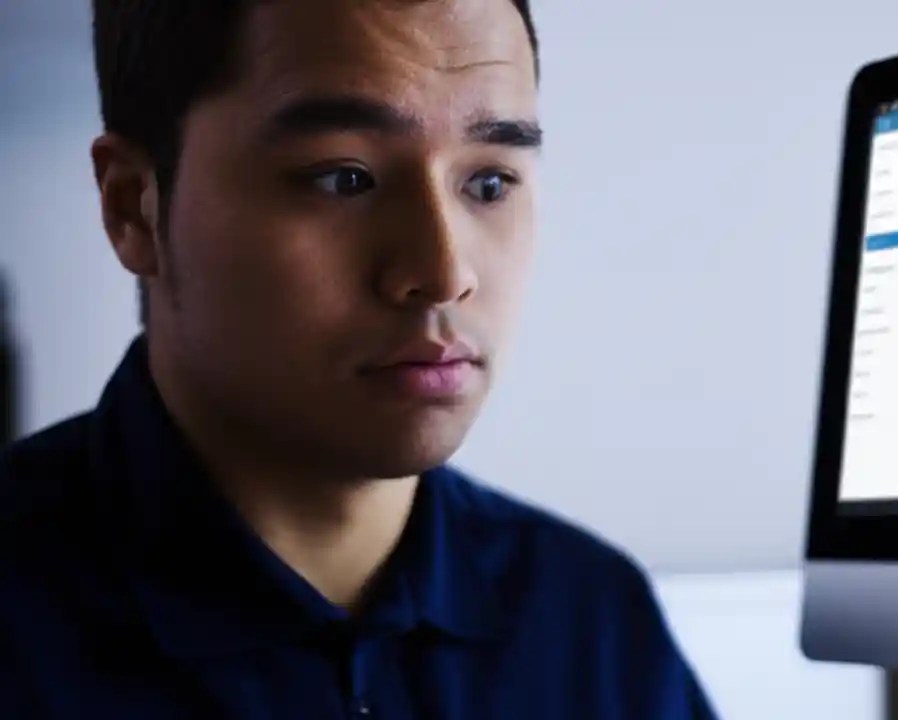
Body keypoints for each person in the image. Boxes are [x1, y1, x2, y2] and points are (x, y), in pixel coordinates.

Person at [0, 1, 719, 717]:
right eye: (344, 178)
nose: (443, 273)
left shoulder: (591, 621)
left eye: (489, 183)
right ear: (134, 206)